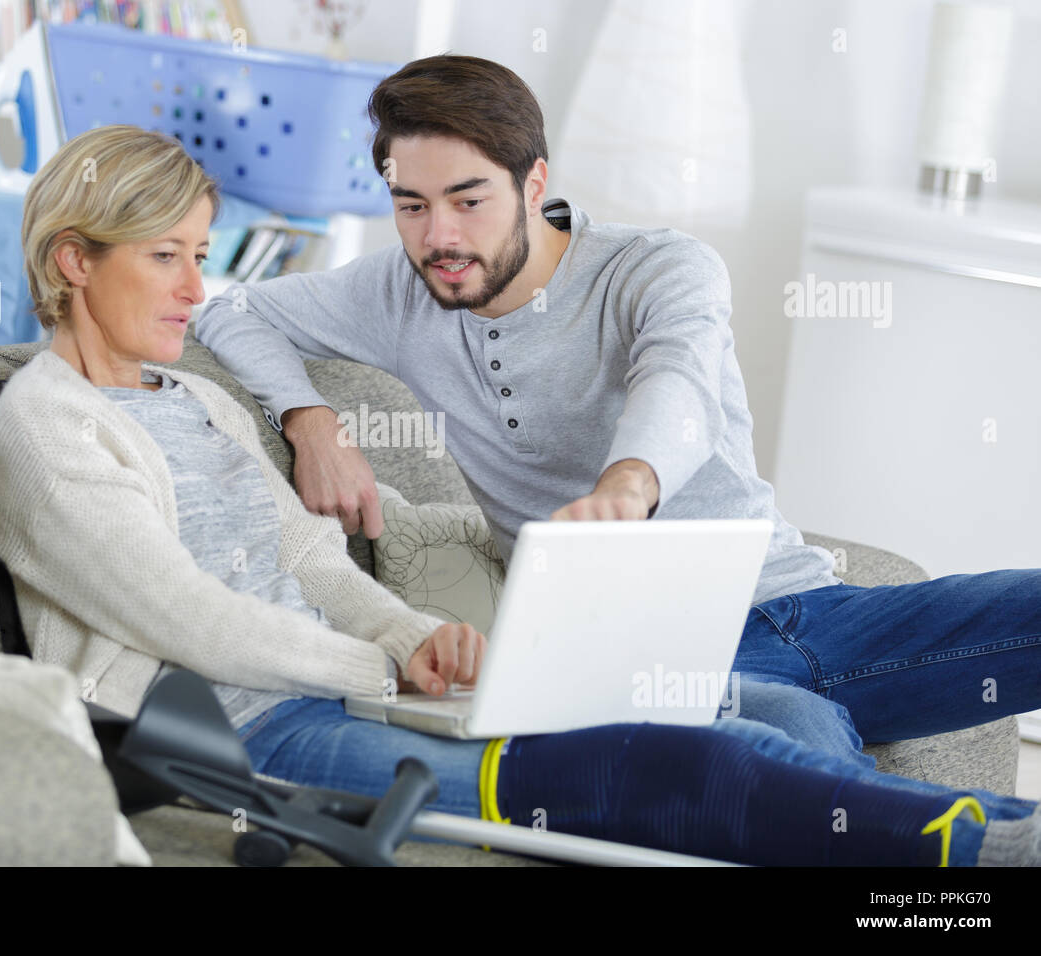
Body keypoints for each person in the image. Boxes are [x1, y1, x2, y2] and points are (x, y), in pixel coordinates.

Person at [0, 123, 1041, 867]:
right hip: (237, 728)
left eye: (199, 256)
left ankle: (990, 833)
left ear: (535, 184)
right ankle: (977, 840)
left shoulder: (196, 404)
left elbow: (307, 560)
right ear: (74, 259)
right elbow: (186, 617)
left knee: (765, 706)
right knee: (648, 759)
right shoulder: (43, 423)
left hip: (344, 685)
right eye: (164, 258)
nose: (193, 290)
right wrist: (390, 661)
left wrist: (415, 631)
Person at [195, 54, 1041, 774]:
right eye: (409, 204)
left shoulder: (658, 268)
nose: (438, 236)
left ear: (535, 184)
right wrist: (309, 417)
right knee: (804, 743)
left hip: (802, 604)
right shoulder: (393, 292)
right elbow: (227, 312)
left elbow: (678, 381)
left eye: (467, 198)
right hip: (642, 647)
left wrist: (628, 486)